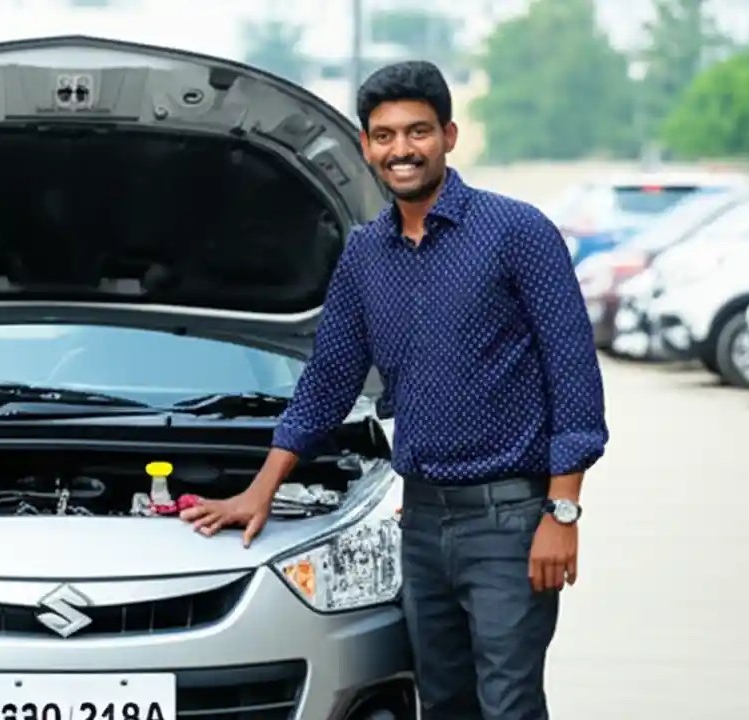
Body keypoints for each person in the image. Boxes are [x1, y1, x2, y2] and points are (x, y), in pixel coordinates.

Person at [180, 60, 608, 719]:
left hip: (510, 522)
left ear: (449, 136)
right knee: (440, 702)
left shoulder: (517, 232)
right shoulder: (364, 252)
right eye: (384, 136)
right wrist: (257, 490)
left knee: (510, 702)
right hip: (421, 522)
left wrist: (562, 514)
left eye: (418, 132)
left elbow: (574, 380)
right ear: (365, 146)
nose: (401, 150)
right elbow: (328, 380)